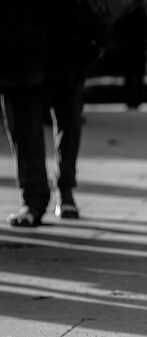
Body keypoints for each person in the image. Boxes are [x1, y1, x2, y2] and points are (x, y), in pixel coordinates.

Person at [1, 1, 107, 227]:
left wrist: (96, 29)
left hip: (66, 32)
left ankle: (65, 186)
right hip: (17, 36)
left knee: (68, 115)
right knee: (23, 121)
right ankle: (34, 198)